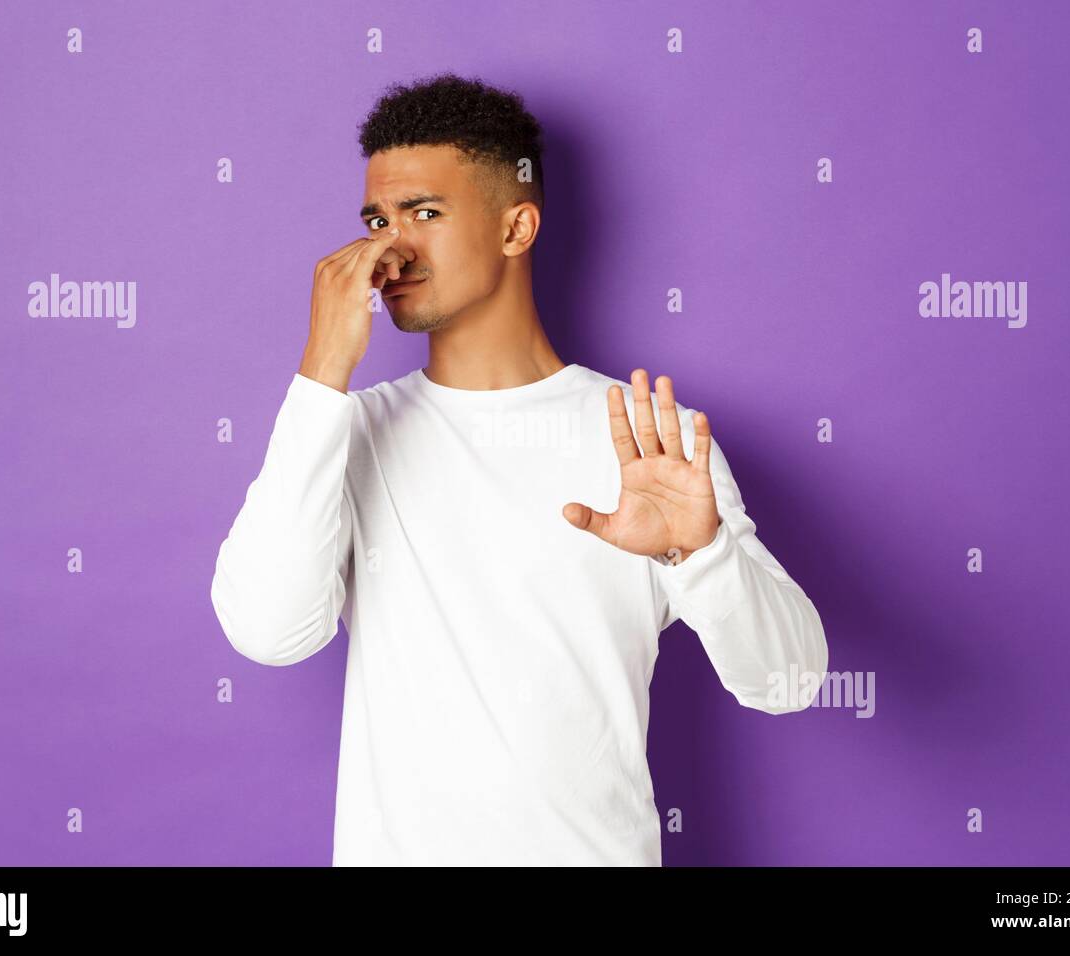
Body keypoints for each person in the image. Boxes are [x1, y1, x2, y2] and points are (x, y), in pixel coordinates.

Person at [210, 73, 828, 866]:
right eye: (377, 219)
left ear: (516, 227)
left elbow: (787, 682)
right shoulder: (346, 431)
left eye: (425, 214)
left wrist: (699, 554)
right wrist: (324, 369)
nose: (390, 248)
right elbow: (268, 633)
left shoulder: (645, 437)